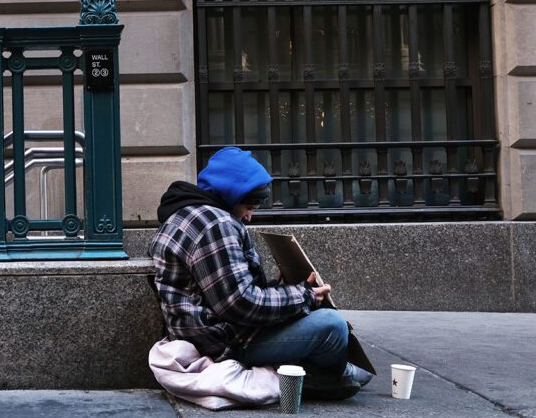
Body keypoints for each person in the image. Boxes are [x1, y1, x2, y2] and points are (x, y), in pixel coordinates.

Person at [149, 147, 373, 400]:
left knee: (330, 332)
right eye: (250, 206)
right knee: (332, 327)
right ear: (232, 195)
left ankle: (327, 373)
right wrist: (303, 296)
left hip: (210, 331)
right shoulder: (215, 224)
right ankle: (312, 378)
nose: (250, 217)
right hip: (224, 341)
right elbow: (240, 303)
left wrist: (281, 289)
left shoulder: (188, 214)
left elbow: (222, 291)